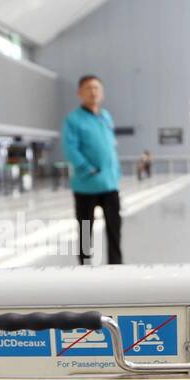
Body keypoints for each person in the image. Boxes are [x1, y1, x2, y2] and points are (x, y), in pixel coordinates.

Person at [62, 74, 122, 264]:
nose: (93, 92)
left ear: (102, 92)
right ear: (80, 93)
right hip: (86, 184)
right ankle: (85, 268)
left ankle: (116, 266)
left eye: (96, 88)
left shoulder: (105, 116)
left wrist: (116, 172)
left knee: (114, 227)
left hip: (109, 183)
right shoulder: (73, 120)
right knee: (85, 228)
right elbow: (70, 148)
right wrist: (87, 168)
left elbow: (110, 146)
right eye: (88, 88)